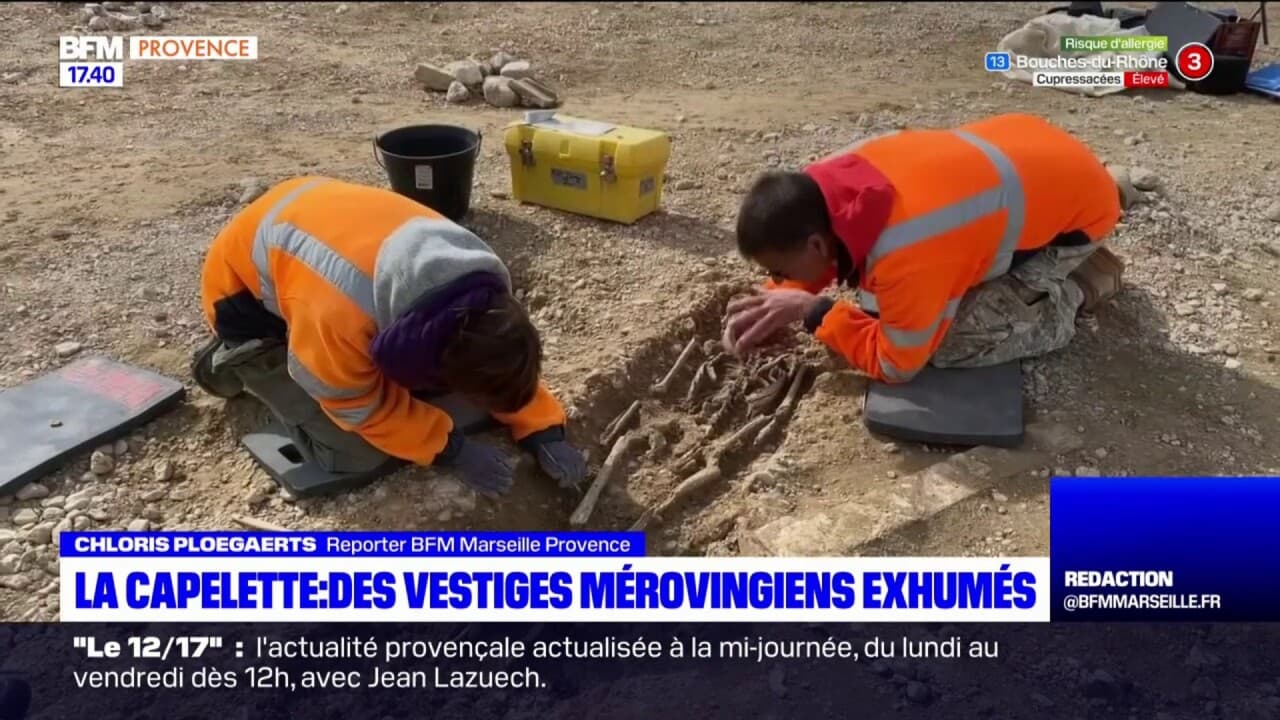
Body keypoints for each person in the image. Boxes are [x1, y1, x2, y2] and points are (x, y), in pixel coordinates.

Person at [192, 176, 587, 497]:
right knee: (358, 453)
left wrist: (541, 428)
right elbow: (358, 405)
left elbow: (500, 358)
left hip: (311, 231)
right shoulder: (340, 315)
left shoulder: (480, 280)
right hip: (244, 300)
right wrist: (450, 449)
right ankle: (240, 368)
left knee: (438, 404)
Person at [723, 113, 1125, 382]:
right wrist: (780, 296)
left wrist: (813, 311)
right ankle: (1085, 190)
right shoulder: (824, 181)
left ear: (813, 243)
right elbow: (826, 249)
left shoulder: (907, 249)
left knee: (947, 346)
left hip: (1078, 219)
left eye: (778, 272)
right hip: (1034, 147)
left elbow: (896, 364)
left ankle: (1076, 287)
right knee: (887, 304)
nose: (777, 281)